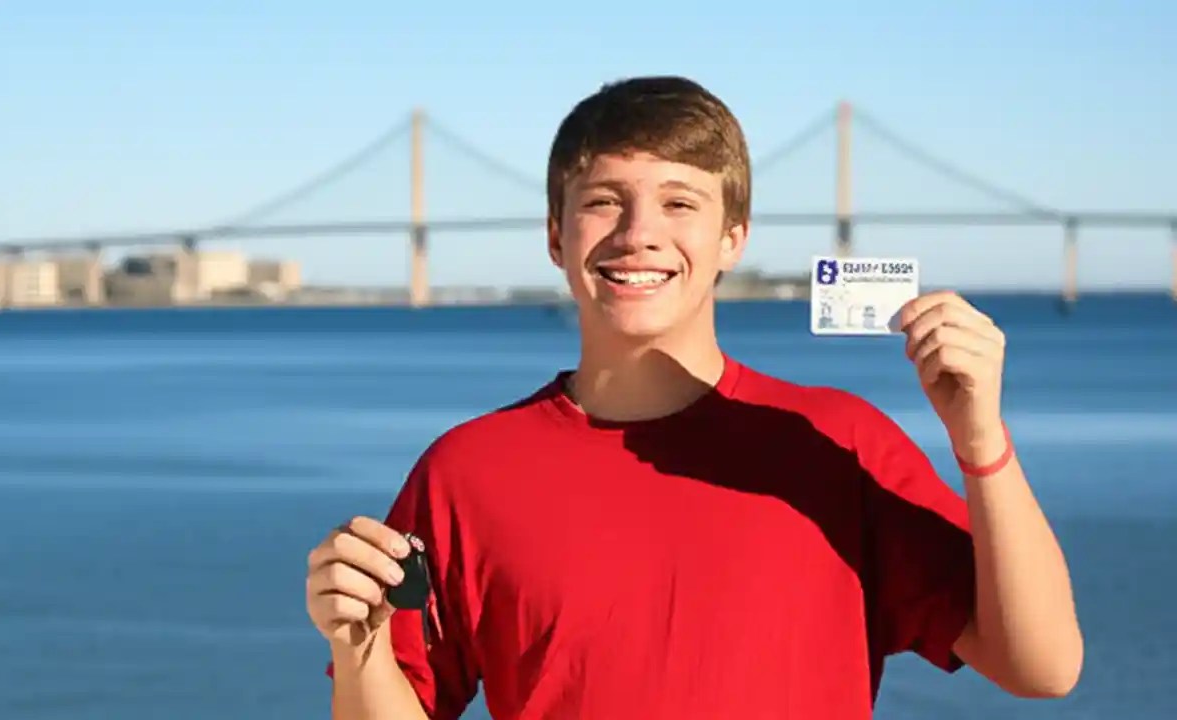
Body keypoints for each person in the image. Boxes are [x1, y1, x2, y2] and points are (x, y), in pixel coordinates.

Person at [306, 76, 1083, 719]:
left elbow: (1042, 666)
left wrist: (981, 440)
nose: (639, 233)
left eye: (680, 203)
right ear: (556, 236)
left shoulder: (837, 442)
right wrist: (358, 645)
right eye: (604, 200)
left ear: (732, 240)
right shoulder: (465, 473)